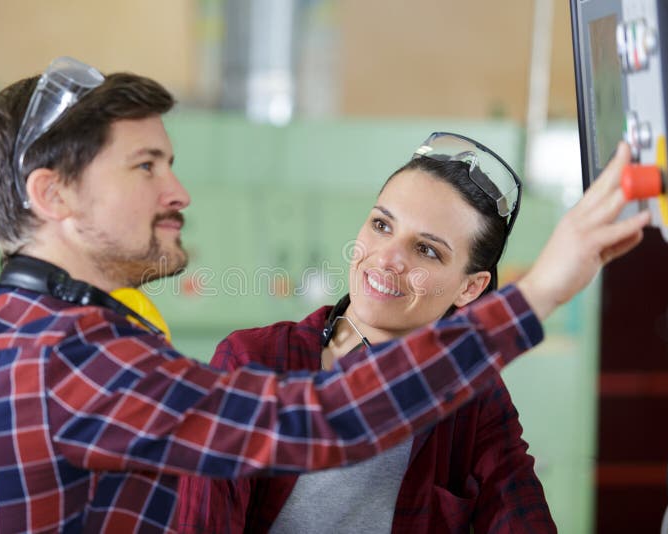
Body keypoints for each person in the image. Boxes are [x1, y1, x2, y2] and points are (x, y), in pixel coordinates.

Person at [0, 57, 647, 533]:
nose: (179, 191)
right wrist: (545, 287)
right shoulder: (68, 363)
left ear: (469, 283)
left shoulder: (9, 359)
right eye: (144, 167)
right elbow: (324, 420)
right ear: (54, 195)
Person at [176, 133, 557, 533]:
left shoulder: (474, 398)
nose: (388, 258)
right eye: (381, 225)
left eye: (427, 250)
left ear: (470, 287)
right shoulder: (254, 361)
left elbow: (521, 514)